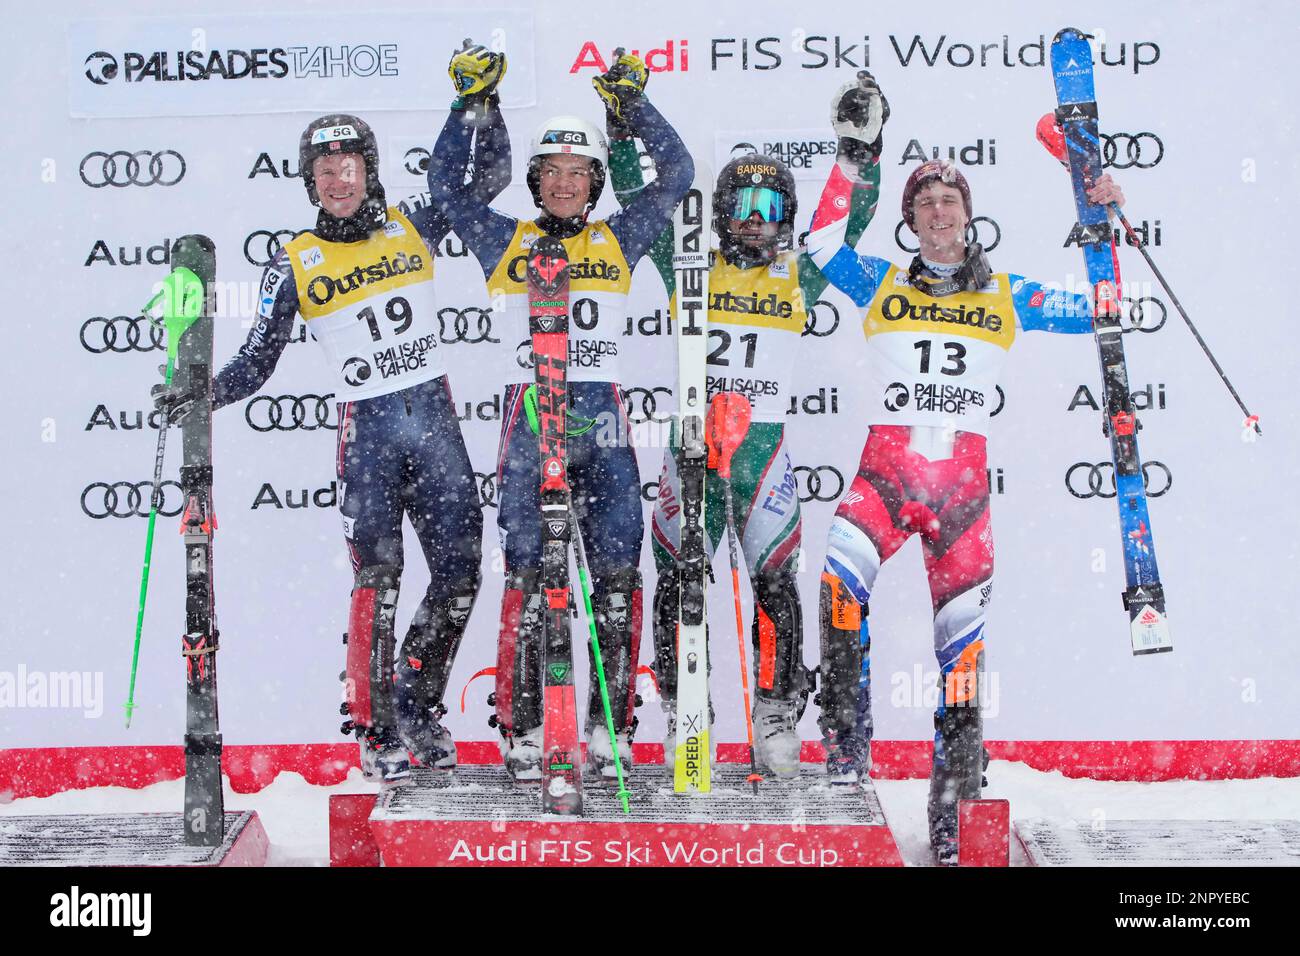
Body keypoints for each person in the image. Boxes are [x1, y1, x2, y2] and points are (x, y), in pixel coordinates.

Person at [804, 80, 1124, 862]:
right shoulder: (879, 280)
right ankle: (849, 757)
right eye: (925, 204)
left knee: (962, 662)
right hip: (884, 478)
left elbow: (1105, 302)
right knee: (840, 589)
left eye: (950, 200)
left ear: (968, 212)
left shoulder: (1007, 295)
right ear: (909, 222)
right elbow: (817, 250)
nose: (939, 212)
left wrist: (1104, 211)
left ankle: (953, 812)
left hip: (962, 500)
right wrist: (850, 162)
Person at [155, 104, 511, 784]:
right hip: (369, 435)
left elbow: (485, 179)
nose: (339, 180)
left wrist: (480, 110)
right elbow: (256, 360)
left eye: (349, 166)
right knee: (376, 584)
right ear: (309, 182)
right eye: (325, 171)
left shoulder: (415, 221)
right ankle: (375, 731)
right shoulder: (292, 261)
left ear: (369, 170)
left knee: (461, 575)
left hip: (434, 424)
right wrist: (199, 394)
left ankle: (415, 706)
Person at [605, 78, 885, 779]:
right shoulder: (687, 261)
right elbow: (642, 203)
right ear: (722, 214)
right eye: (742, 206)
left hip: (764, 449)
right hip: (692, 446)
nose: (755, 219)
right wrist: (619, 131)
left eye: (769, 207)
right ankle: (680, 711)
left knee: (775, 585)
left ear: (783, 216)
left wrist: (860, 155)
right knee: (676, 582)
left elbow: (844, 223)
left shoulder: (800, 272)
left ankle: (775, 713)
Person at [428, 46, 692, 784]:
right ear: (536, 182)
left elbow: (677, 176)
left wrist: (632, 108)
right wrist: (470, 105)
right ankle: (522, 722)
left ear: (595, 182)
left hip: (602, 417)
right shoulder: (506, 239)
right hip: (530, 417)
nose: (568, 184)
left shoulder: (619, 236)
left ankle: (612, 725)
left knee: (615, 573)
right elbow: (444, 189)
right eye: (553, 173)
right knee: (527, 573)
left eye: (580, 174)